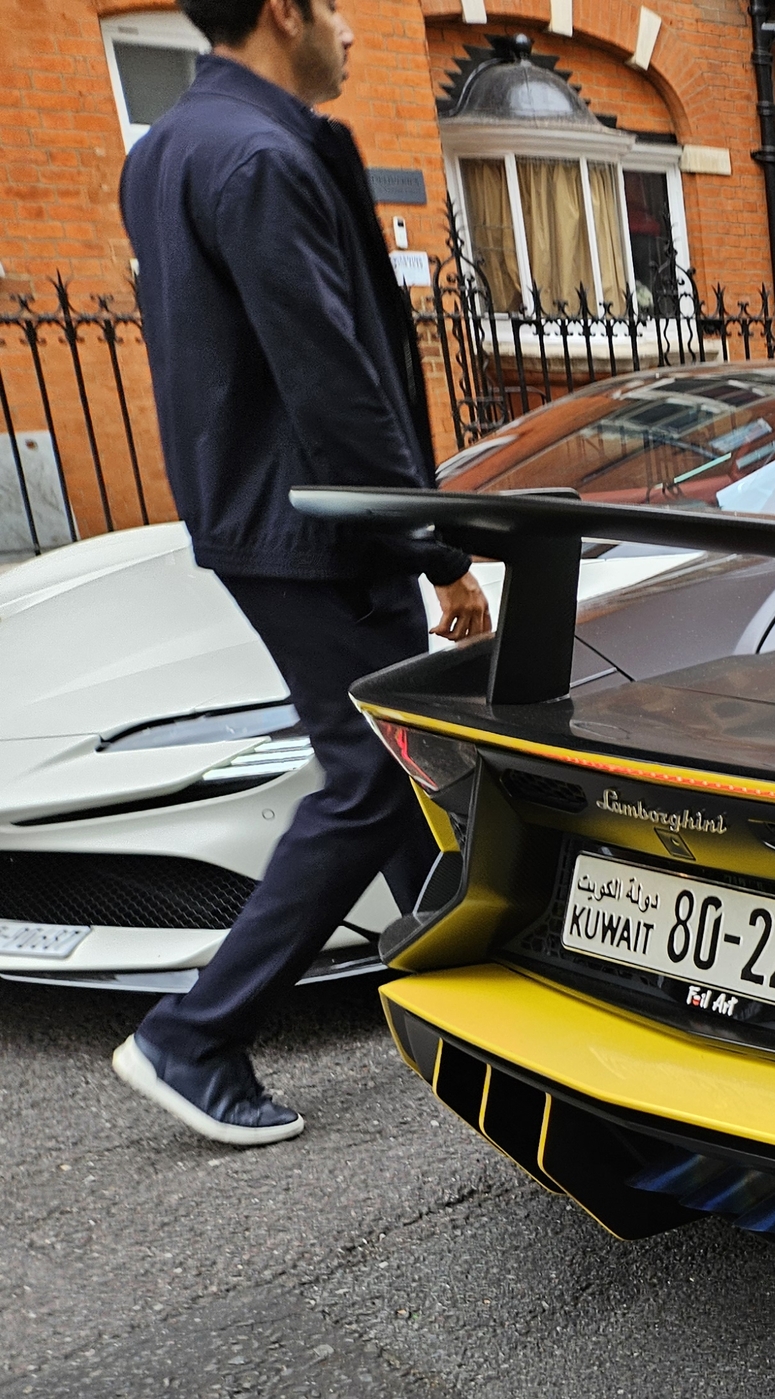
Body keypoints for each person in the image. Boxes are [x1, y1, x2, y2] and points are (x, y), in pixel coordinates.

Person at [111, 0, 492, 1148]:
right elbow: (334, 378)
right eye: (334, 8)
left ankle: (470, 970)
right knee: (374, 773)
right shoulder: (264, 154)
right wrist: (436, 552)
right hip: (319, 525)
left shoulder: (172, 146)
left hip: (253, 510)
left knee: (387, 764)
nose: (351, 31)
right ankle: (196, 1035)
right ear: (283, 13)